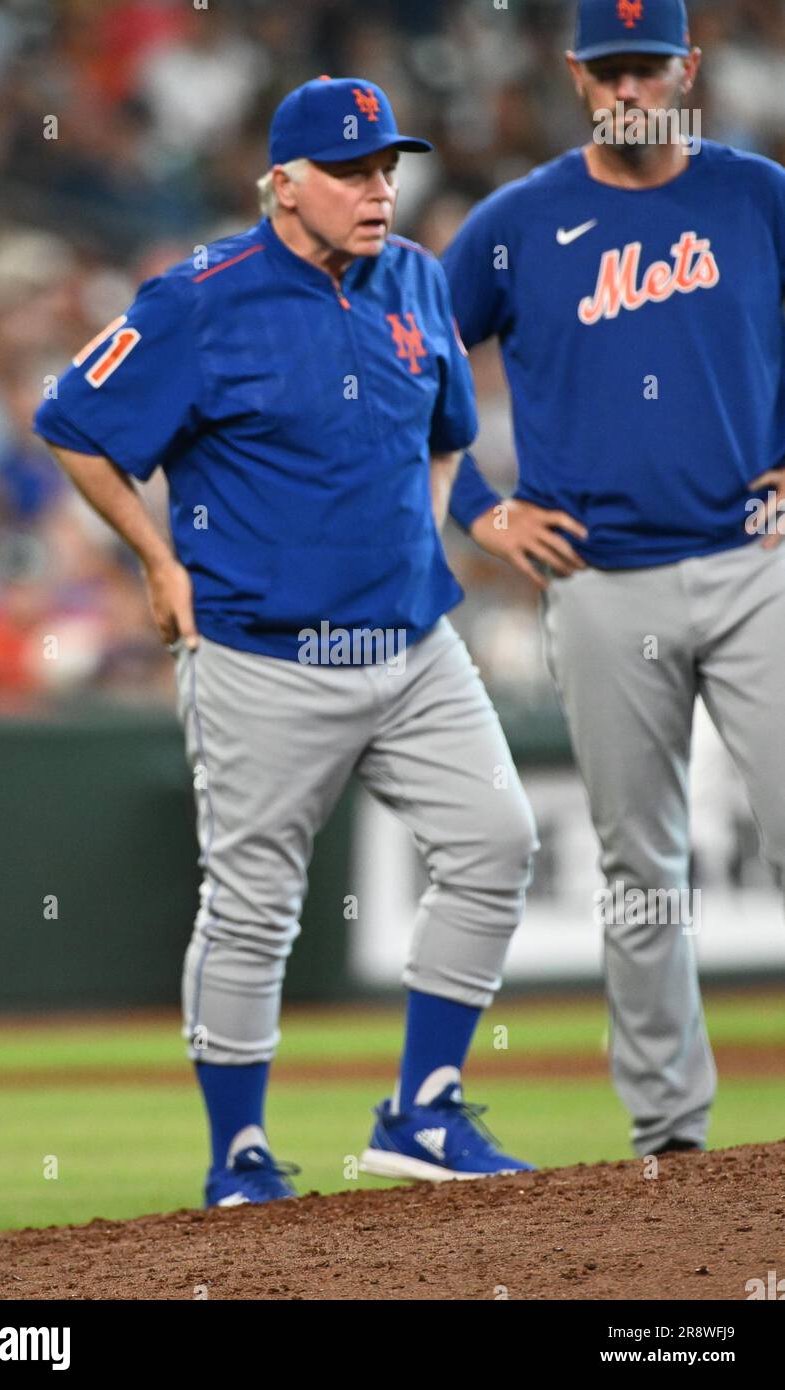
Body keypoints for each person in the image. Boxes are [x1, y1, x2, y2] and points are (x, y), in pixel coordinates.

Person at [33, 77, 539, 1206]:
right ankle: (240, 1157)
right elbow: (71, 419)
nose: (377, 190)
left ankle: (422, 1109)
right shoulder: (201, 296)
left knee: (497, 841)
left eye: (386, 168)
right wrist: (158, 561)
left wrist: (422, 535)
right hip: (260, 653)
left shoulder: (412, 279)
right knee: (253, 904)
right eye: (351, 171)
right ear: (283, 183)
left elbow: (447, 435)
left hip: (412, 649)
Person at [444, 0, 785, 1158]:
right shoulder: (514, 225)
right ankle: (669, 1139)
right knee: (640, 865)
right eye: (608, 72)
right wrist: (478, 512)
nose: (628, 90)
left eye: (647, 67)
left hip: (755, 564)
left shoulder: (754, 196)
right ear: (575, 78)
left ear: (687, 67)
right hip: (600, 583)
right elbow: (397, 373)